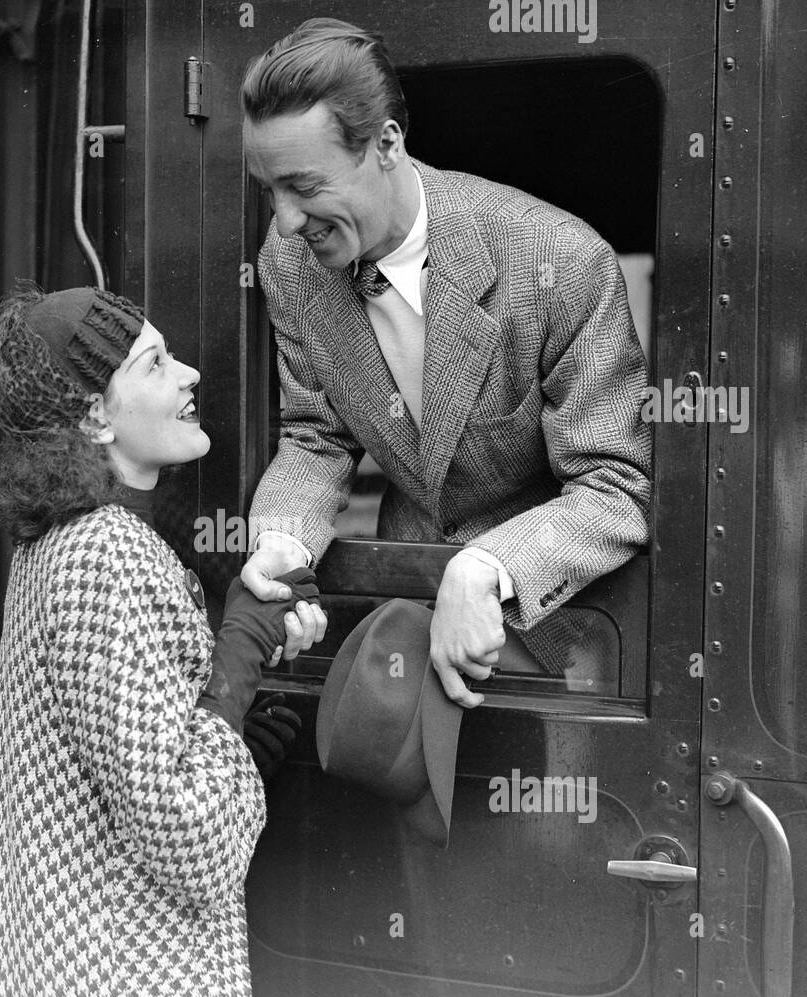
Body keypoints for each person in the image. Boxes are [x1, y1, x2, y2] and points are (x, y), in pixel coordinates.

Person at [0, 283, 325, 997]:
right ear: (95, 416)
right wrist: (241, 653)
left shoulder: (58, 544)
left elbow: (122, 770)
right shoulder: (107, 553)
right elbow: (187, 837)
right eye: (154, 364)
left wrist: (229, 728)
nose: (190, 374)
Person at [238, 18, 652, 704]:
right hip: (401, 626)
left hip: (560, 639)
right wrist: (282, 544)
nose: (284, 222)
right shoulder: (287, 266)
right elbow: (316, 438)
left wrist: (489, 565)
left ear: (387, 145)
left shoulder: (564, 262)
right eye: (267, 191)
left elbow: (617, 484)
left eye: (303, 186)